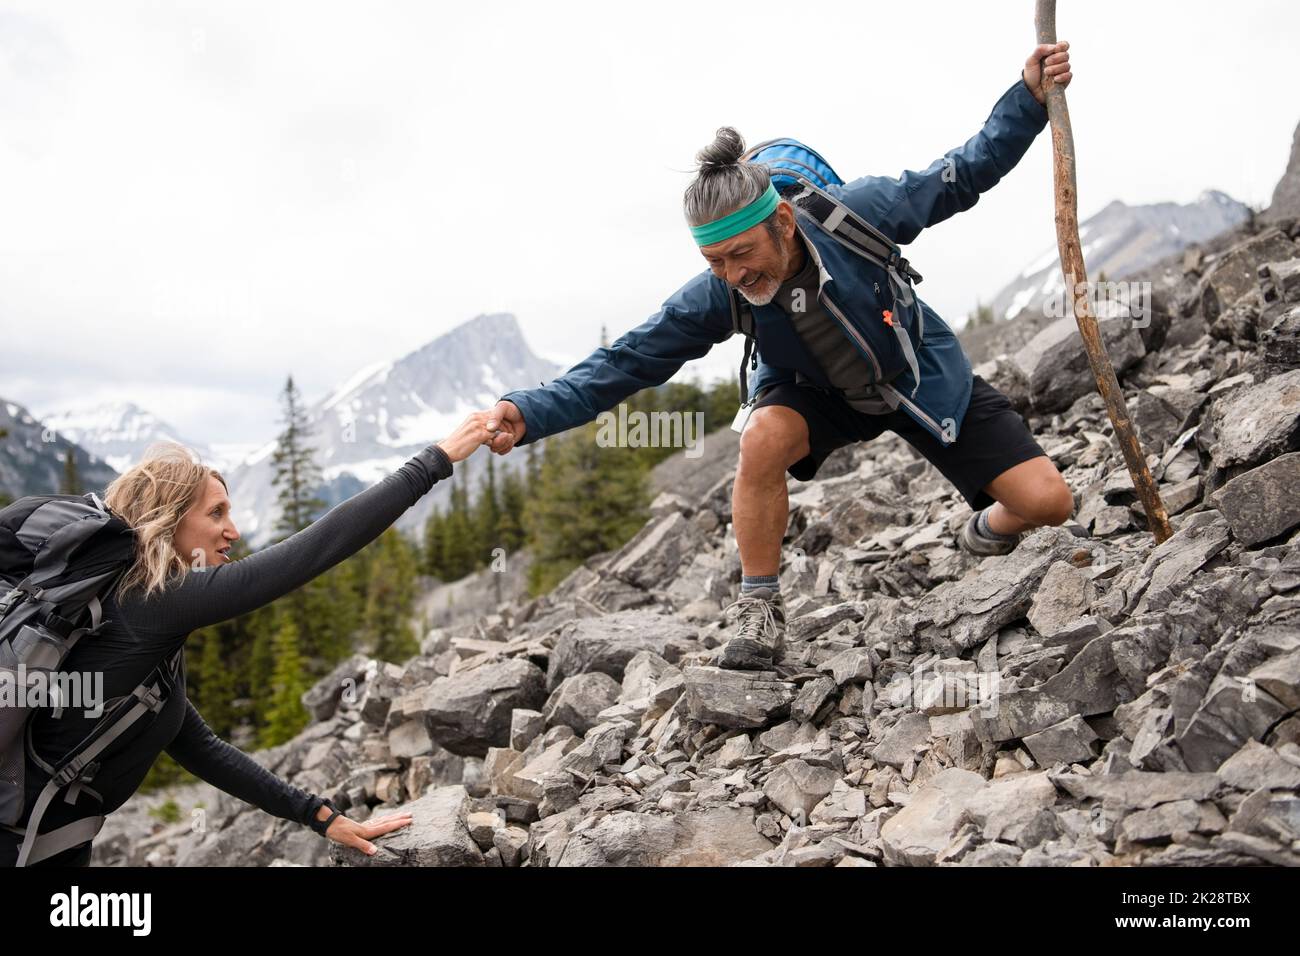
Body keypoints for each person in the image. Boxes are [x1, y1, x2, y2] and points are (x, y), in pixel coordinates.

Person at [481, 44, 1077, 671]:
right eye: (716, 262)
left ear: (784, 222)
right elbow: (626, 362)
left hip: (916, 376)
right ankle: (759, 608)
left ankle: (985, 532)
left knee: (1048, 504)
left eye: (742, 254)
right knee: (761, 437)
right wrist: (529, 412)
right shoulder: (718, 294)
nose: (734, 275)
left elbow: (962, 172)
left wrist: (1028, 100)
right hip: (813, 395)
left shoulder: (858, 215)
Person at [0, 412, 494, 866]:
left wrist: (322, 818)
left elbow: (200, 748)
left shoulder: (139, 630)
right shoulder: (148, 605)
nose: (232, 531)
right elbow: (312, 552)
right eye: (215, 514)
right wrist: (433, 461)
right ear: (170, 522)